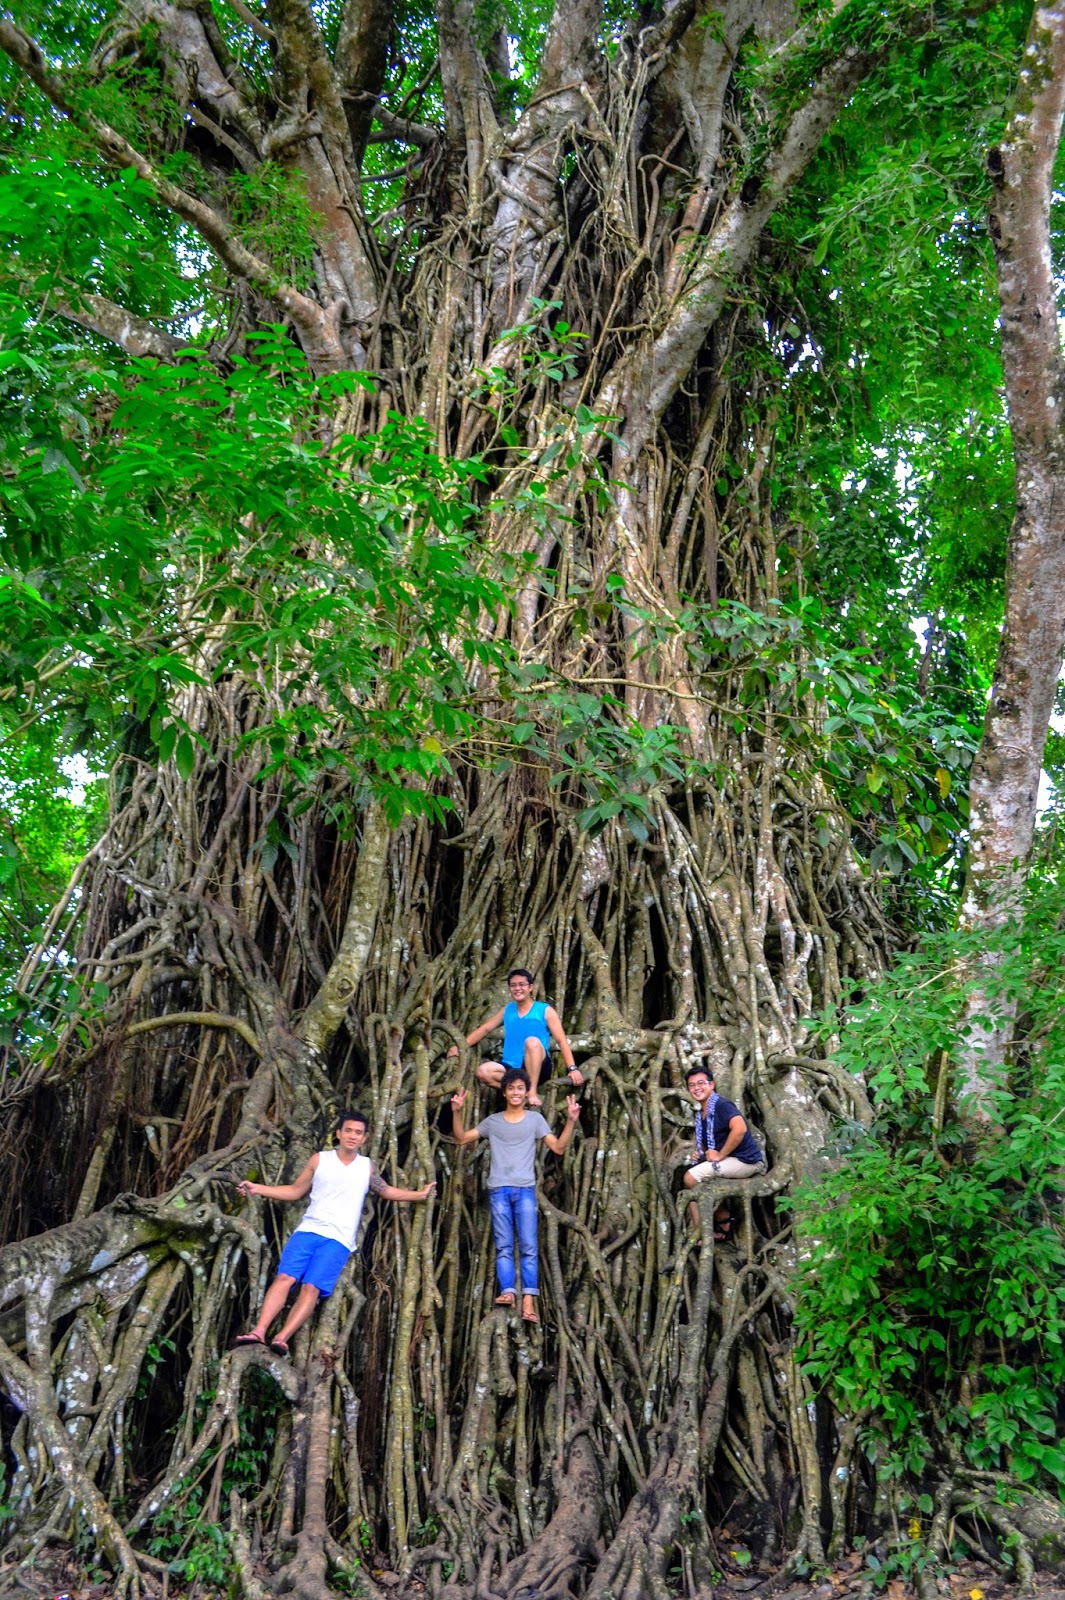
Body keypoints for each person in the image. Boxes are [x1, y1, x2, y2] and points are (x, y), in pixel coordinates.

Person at [232, 1110, 434, 1354]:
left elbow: (386, 1190)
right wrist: (258, 1189)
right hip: (308, 1231)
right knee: (285, 1278)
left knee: (311, 1287)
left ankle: (282, 1338)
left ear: (364, 1138)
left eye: (358, 1133)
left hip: (338, 1240)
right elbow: (295, 1191)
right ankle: (259, 1331)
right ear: (338, 1133)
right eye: (348, 1130)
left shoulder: (365, 1167)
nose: (352, 1136)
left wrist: (419, 1195)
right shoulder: (320, 1160)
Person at [450, 1070, 580, 1324]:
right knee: (504, 1246)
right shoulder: (493, 1122)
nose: (516, 1092)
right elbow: (461, 1138)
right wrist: (456, 1111)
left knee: (529, 1246)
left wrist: (571, 1121)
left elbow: (558, 1147)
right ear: (504, 1092)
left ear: (526, 1091)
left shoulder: (535, 1120)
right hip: (498, 1190)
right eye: (511, 1088)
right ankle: (508, 1291)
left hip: (525, 1190)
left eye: (521, 1088)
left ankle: (529, 1303)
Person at [447, 967, 582, 1106]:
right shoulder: (508, 1009)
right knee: (483, 1071)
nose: (517, 988)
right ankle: (518, 1092)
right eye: (513, 985)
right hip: (512, 1067)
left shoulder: (545, 1010)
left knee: (532, 1041)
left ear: (530, 987)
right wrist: (461, 1047)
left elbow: (561, 1040)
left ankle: (532, 1092)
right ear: (509, 989)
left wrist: (572, 1068)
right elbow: (485, 1029)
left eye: (522, 984)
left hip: (539, 1066)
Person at [682, 1065, 766, 1240]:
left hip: (746, 1162)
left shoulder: (722, 1105)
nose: (696, 1088)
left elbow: (740, 1129)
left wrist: (720, 1155)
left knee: (690, 1178)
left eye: (701, 1083)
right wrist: (700, 1153)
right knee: (689, 1194)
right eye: (691, 1085)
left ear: (711, 1085)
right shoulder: (702, 1114)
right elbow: (710, 1143)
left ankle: (722, 1217)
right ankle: (705, 1234)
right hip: (731, 1161)